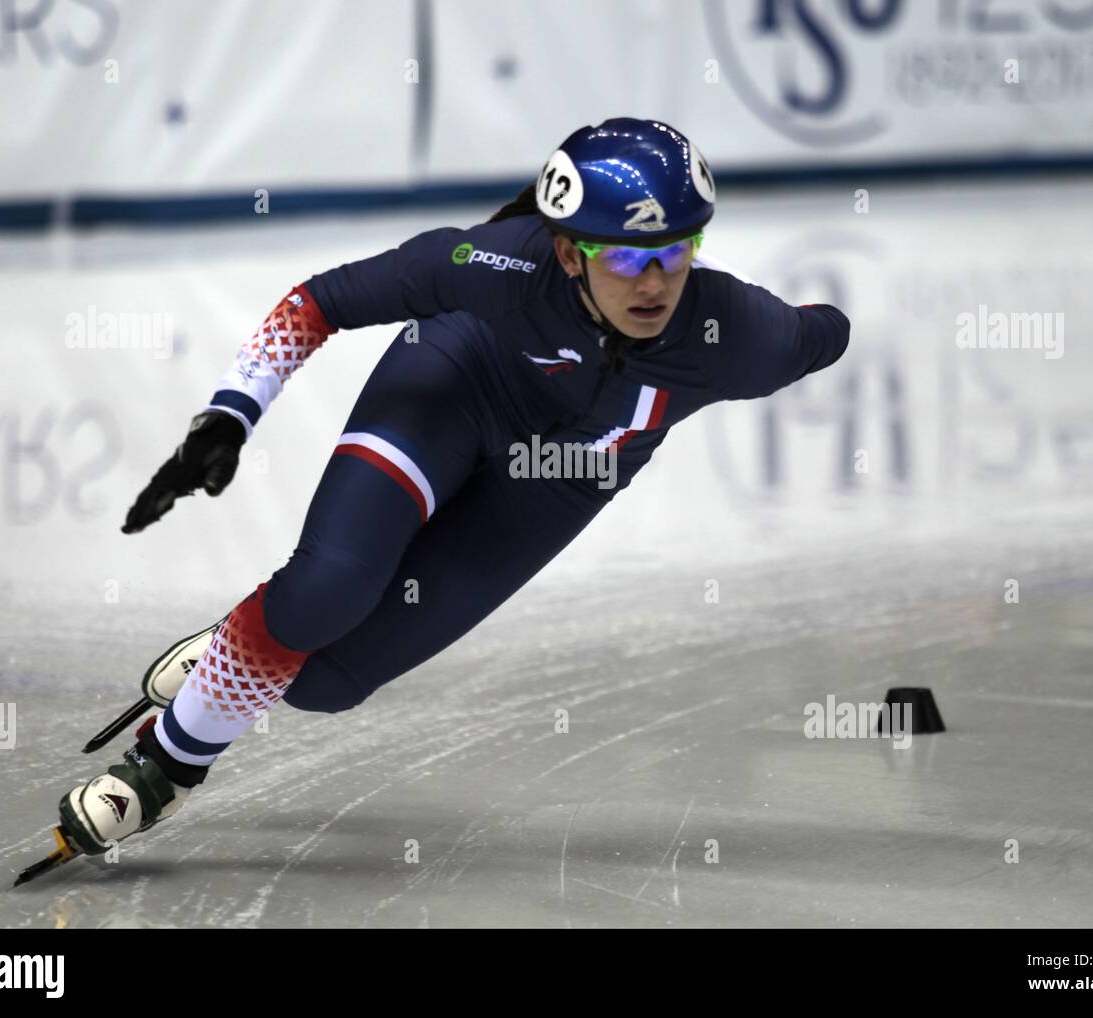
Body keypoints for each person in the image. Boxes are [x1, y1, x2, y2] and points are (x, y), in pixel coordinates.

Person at [52, 118, 850, 857]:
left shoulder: (740, 335)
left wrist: (817, 322)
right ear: (569, 252)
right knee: (326, 591)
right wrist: (228, 415)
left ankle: (242, 642)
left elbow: (826, 331)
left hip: (567, 473)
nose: (655, 282)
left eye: (677, 251)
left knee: (325, 685)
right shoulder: (499, 265)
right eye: (625, 257)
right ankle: (164, 769)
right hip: (455, 384)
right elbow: (318, 302)